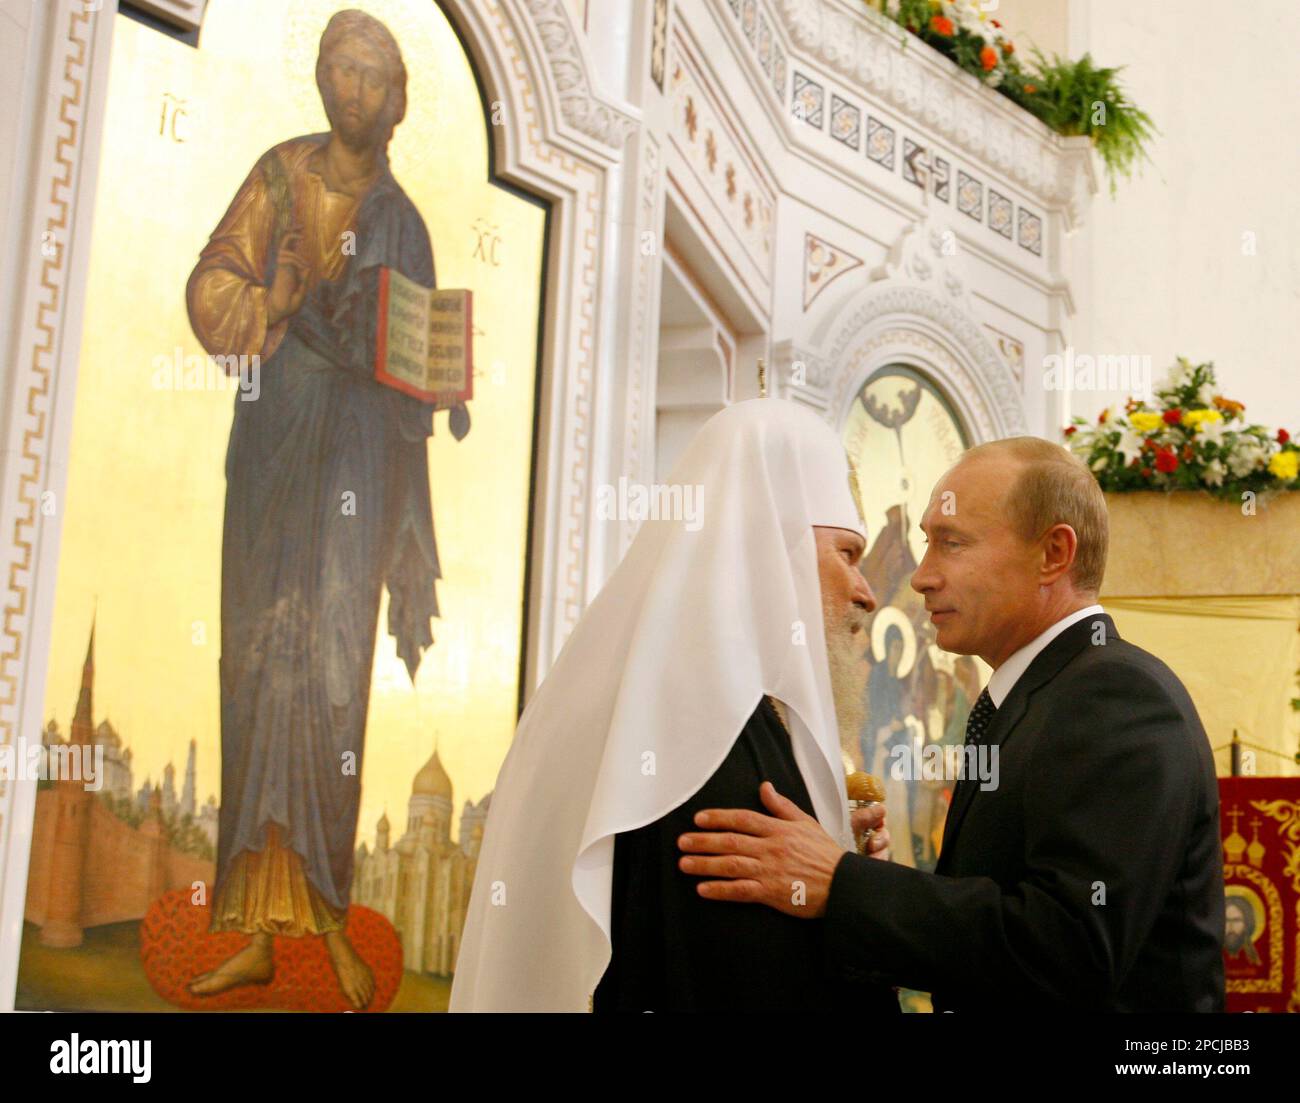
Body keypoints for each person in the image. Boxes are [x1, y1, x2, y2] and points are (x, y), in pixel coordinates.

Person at [678, 436, 1225, 1012]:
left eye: (952, 544)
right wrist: (858, 875)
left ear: (1053, 555)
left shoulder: (1116, 696)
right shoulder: (1044, 697)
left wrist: (843, 884)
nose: (920, 577)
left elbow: (1072, 947)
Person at [184, 10, 467, 1008]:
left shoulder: (409, 225)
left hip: (360, 459)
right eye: (339, 69)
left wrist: (437, 393)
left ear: (394, 103)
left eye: (371, 76)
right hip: (277, 441)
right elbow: (213, 283)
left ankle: (329, 919)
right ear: (321, 79)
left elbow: (422, 371)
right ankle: (253, 928)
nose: (352, 88)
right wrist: (275, 301)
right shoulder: (279, 175)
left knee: (335, 679)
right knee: (261, 662)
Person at [450, 398, 895, 1012]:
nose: (867, 594)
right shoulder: (716, 734)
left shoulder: (638, 692)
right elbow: (758, 978)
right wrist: (850, 890)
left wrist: (837, 865)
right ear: (773, 544)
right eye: (847, 554)